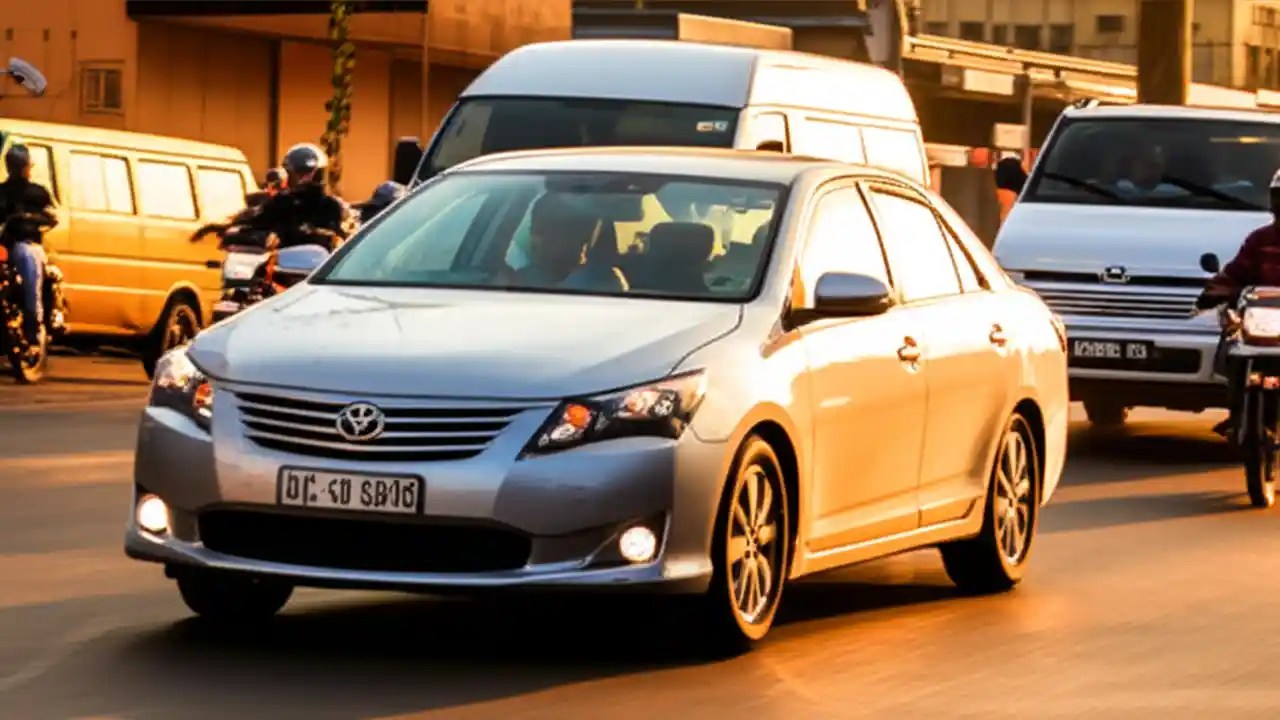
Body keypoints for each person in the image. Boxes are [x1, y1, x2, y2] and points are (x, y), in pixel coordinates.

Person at [1195, 168, 1280, 436]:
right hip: (1265, 324)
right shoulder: (1260, 239)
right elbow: (1235, 273)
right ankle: (1239, 414)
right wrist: (1215, 291)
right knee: (1236, 351)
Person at [0, 144, 57, 347]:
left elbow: (53, 215)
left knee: (26, 256)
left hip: (25, 244)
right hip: (4, 248)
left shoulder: (37, 193)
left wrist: (33, 218)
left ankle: (33, 324)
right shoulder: (2, 192)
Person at [247, 143, 353, 251]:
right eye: (298, 174)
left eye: (308, 174)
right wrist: (269, 236)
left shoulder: (333, 206)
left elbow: (346, 237)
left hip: (322, 264)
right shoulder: (280, 202)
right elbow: (253, 225)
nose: (304, 180)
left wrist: (333, 238)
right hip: (282, 263)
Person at [512, 194, 601, 287]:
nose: (533, 239)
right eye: (533, 230)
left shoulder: (513, 286)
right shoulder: (605, 286)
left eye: (540, 231)